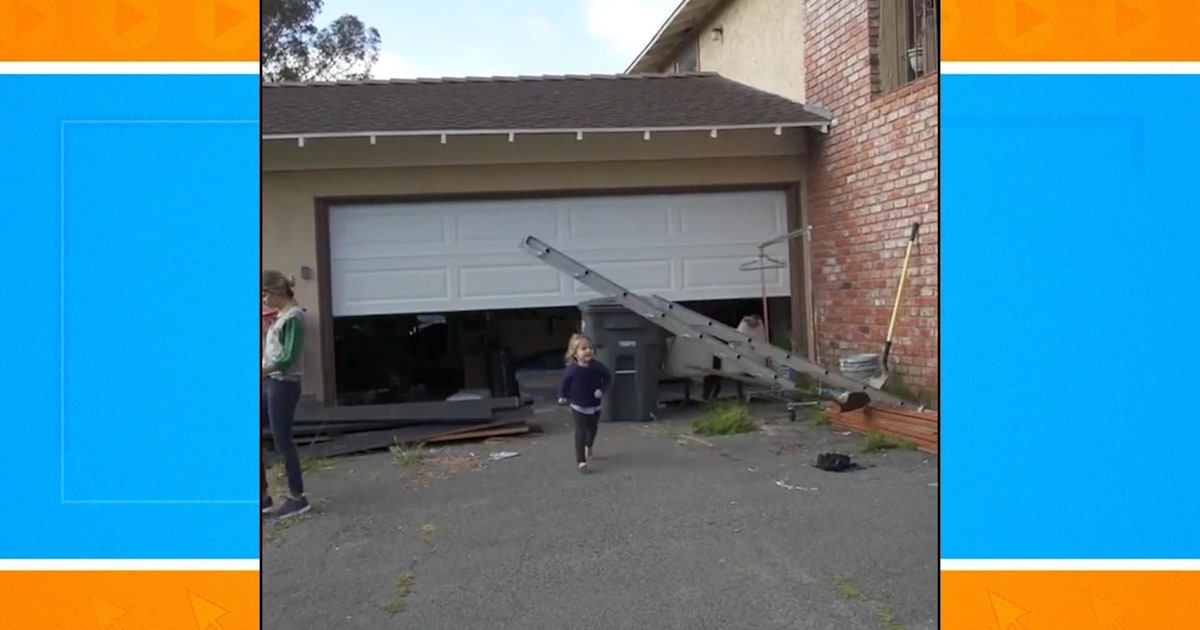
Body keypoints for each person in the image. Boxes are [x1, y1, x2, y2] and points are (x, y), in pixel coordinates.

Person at [260, 270, 311, 519]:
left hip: (284, 385)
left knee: (282, 441)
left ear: (276, 292)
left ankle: (297, 497)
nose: (262, 300)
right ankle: (262, 496)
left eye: (264, 294)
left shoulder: (294, 317)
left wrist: (262, 370)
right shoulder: (279, 316)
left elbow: (288, 358)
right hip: (270, 382)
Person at [557, 334, 611, 471]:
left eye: (590, 348)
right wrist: (562, 396)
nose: (588, 351)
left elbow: (607, 378)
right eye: (583, 348)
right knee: (580, 431)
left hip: (594, 404)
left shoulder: (598, 367)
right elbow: (563, 384)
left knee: (592, 429)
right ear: (574, 353)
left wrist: (602, 390)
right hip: (578, 405)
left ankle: (589, 445)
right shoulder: (571, 371)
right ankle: (581, 460)